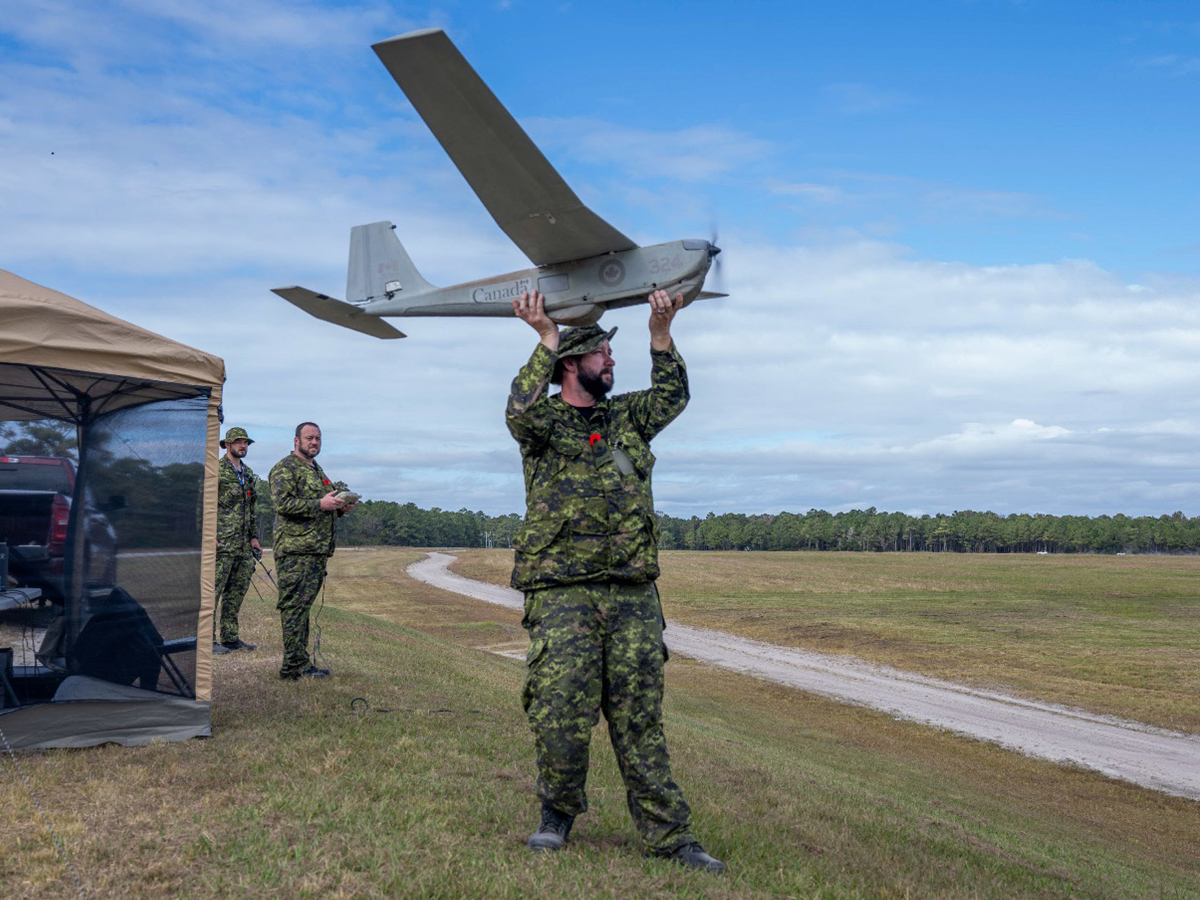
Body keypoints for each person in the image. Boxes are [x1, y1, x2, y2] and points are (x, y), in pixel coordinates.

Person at [507, 288, 724, 873]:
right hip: (564, 594)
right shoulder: (545, 423)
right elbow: (518, 411)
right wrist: (545, 339)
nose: (611, 359)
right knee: (559, 714)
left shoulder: (626, 416)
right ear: (572, 364)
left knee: (640, 721)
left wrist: (661, 333)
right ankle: (556, 815)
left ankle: (671, 837)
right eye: (603, 351)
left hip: (631, 594)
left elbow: (673, 395)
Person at [268, 422, 356, 680]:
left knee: (302, 608)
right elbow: (282, 504)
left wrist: (339, 506)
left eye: (318, 438)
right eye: (309, 438)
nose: (314, 442)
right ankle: (292, 668)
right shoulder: (285, 468)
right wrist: (320, 503)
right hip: (296, 551)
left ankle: (301, 661)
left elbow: (322, 503)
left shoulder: (316, 470)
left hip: (314, 551)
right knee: (294, 607)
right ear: (296, 441)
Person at [213, 427, 262, 655]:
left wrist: (253, 538)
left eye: (246, 443)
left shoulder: (248, 474)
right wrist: (208, 535)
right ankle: (207, 640)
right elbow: (202, 504)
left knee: (236, 592)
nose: (243, 446)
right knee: (212, 591)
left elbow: (251, 509)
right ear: (227, 445)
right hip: (221, 542)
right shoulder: (216, 470)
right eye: (238, 442)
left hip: (243, 545)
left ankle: (230, 637)